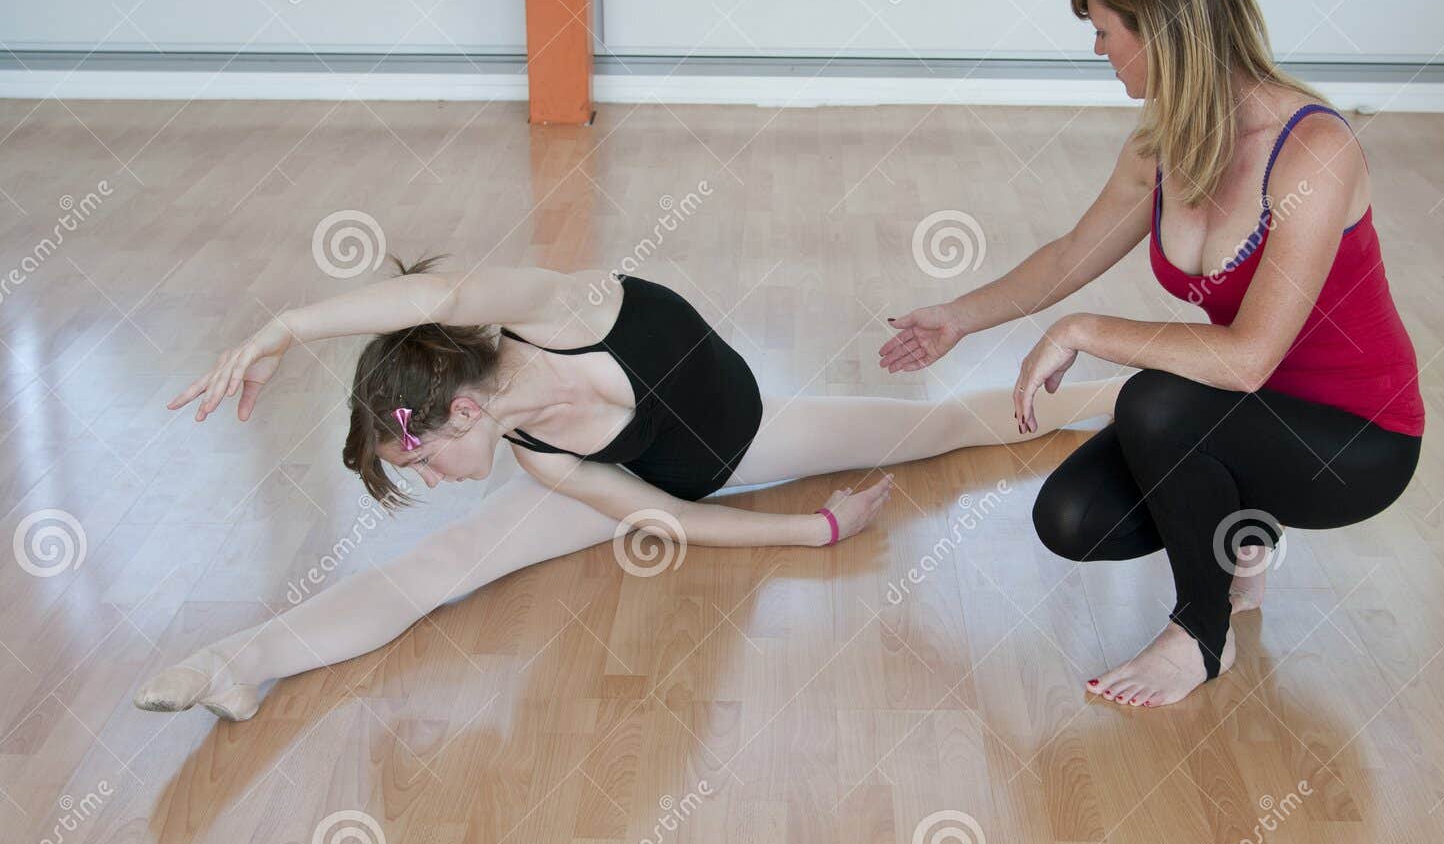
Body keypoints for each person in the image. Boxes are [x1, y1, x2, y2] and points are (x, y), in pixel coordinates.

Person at [136, 257, 1128, 721]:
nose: (433, 478)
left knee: (942, 426)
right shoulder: (541, 457)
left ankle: (1130, 391)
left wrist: (283, 326)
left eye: (420, 459)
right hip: (631, 476)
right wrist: (812, 533)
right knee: (436, 566)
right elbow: (661, 517)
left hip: (752, 435)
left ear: (462, 413)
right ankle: (241, 657)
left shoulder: (564, 311)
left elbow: (439, 298)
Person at [879, 0, 1425, 708]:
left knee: (1155, 402)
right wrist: (958, 317)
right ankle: (1246, 526)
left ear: (1162, 30)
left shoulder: (1312, 149)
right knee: (1071, 518)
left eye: (1104, 31)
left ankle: (1203, 635)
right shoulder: (1165, 138)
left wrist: (1085, 330)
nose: (1098, 49)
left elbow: (1245, 358)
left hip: (1358, 442)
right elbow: (1072, 252)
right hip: (1248, 412)